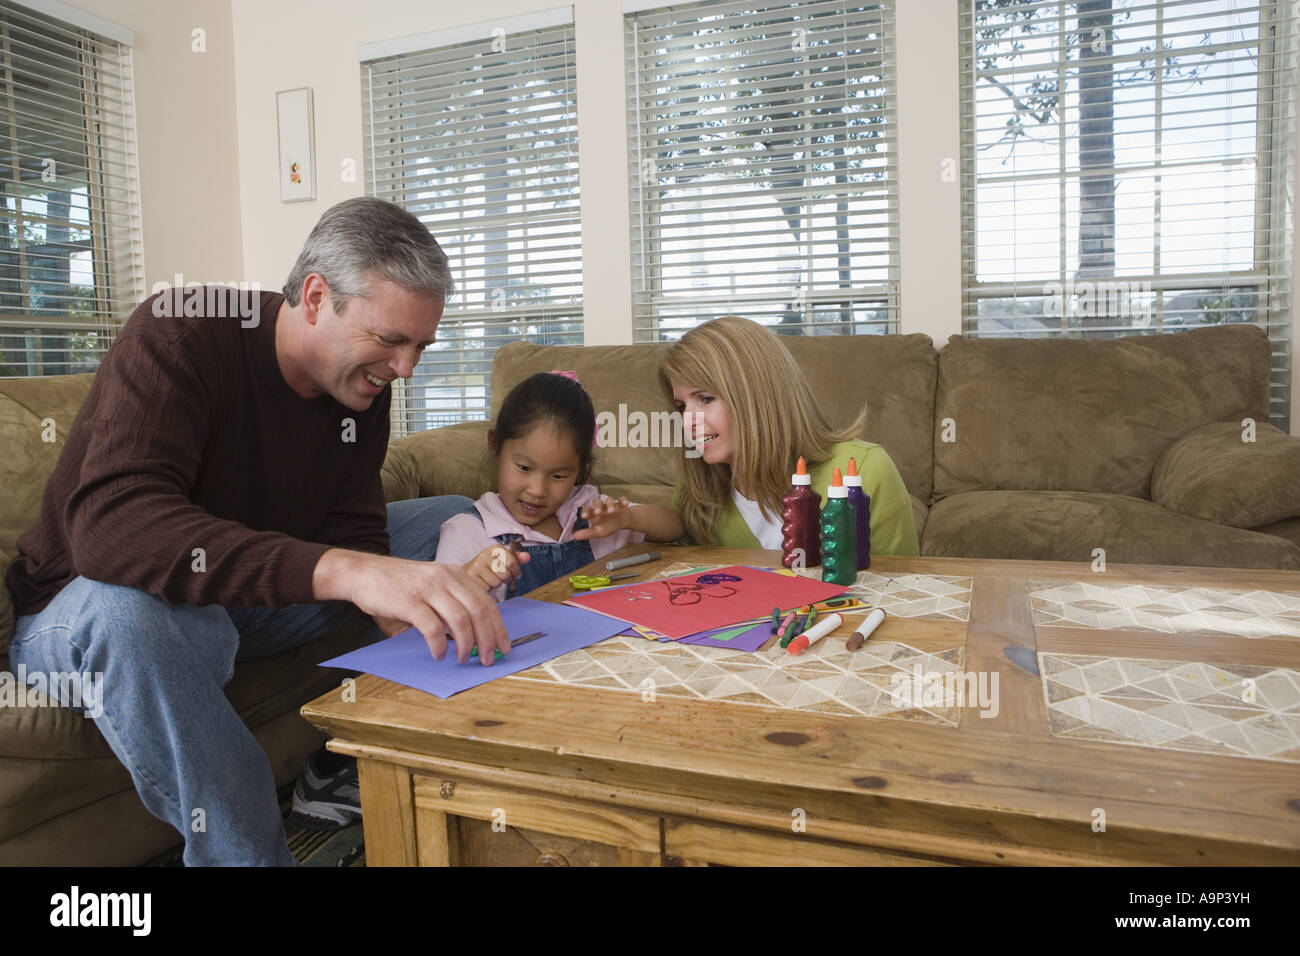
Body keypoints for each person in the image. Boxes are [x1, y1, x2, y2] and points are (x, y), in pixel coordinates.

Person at [3, 197, 510, 866]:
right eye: (390, 340)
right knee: (129, 616)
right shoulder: (180, 334)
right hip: (85, 608)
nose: (406, 368)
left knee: (445, 520)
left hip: (227, 600)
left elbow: (356, 531)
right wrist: (349, 575)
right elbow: (110, 528)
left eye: (420, 346)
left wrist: (389, 597)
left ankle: (390, 755)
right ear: (314, 296)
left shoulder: (360, 391)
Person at [658, 315, 919, 555]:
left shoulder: (864, 471)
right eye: (681, 406)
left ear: (758, 397)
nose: (686, 422)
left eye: (705, 398)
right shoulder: (696, 489)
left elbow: (904, 589)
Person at [435, 372, 683, 596]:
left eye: (558, 476)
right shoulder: (468, 531)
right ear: (495, 445)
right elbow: (437, 613)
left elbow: (675, 526)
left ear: (580, 469)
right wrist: (467, 579)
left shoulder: (588, 512)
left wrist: (628, 518)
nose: (537, 490)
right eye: (524, 468)